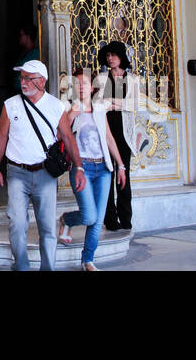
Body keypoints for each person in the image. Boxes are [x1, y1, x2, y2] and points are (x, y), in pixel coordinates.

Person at [0, 59, 86, 271]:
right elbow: (1, 136)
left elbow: (69, 138)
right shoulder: (11, 105)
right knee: (17, 223)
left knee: (47, 228)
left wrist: (79, 167)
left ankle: (48, 268)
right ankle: (21, 265)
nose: (23, 82)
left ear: (41, 82)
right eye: (22, 77)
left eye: (28, 78)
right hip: (17, 172)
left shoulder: (55, 106)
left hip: (44, 174)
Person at [56, 68, 127, 271]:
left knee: (97, 220)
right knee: (89, 216)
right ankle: (67, 219)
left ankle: (87, 260)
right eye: (76, 84)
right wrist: (70, 116)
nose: (80, 88)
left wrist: (120, 165)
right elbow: (59, 137)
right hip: (82, 168)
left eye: (84, 84)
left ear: (92, 87)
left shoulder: (99, 108)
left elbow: (109, 138)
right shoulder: (69, 110)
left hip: (103, 168)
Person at [97, 24, 140, 232]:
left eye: (114, 55)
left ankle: (126, 219)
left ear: (122, 57)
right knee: (108, 175)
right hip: (106, 131)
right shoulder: (102, 78)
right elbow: (98, 103)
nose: (110, 59)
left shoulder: (131, 79)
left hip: (124, 133)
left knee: (124, 176)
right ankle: (110, 220)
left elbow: (133, 104)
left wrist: (112, 103)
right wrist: (115, 103)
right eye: (108, 55)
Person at [7, 24, 39, 97]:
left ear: (28, 36)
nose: (19, 38)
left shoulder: (36, 54)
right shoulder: (24, 53)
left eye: (21, 35)